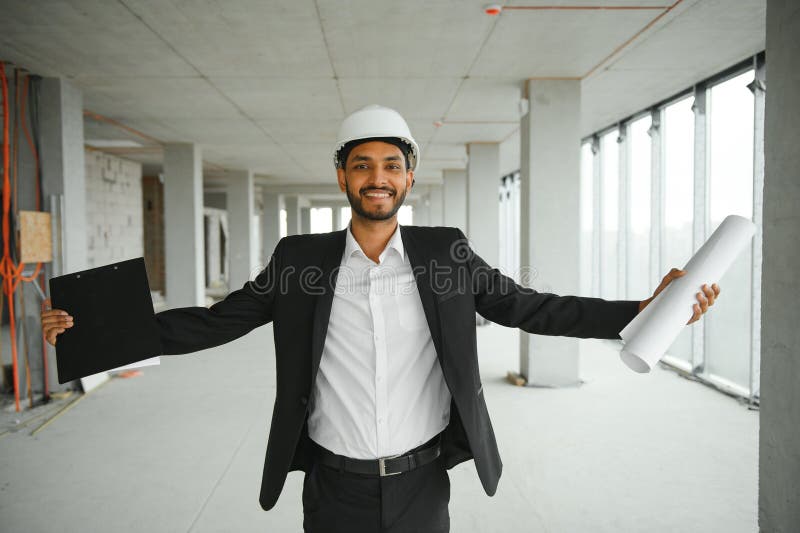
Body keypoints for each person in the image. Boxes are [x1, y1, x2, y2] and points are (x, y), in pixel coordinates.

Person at [41, 104, 720, 533]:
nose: (377, 177)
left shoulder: (445, 251)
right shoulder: (299, 258)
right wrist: (92, 329)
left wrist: (646, 306)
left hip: (423, 484)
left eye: (391, 165)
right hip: (333, 488)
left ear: (409, 178)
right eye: (361, 164)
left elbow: (532, 306)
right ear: (341, 176)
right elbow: (219, 320)